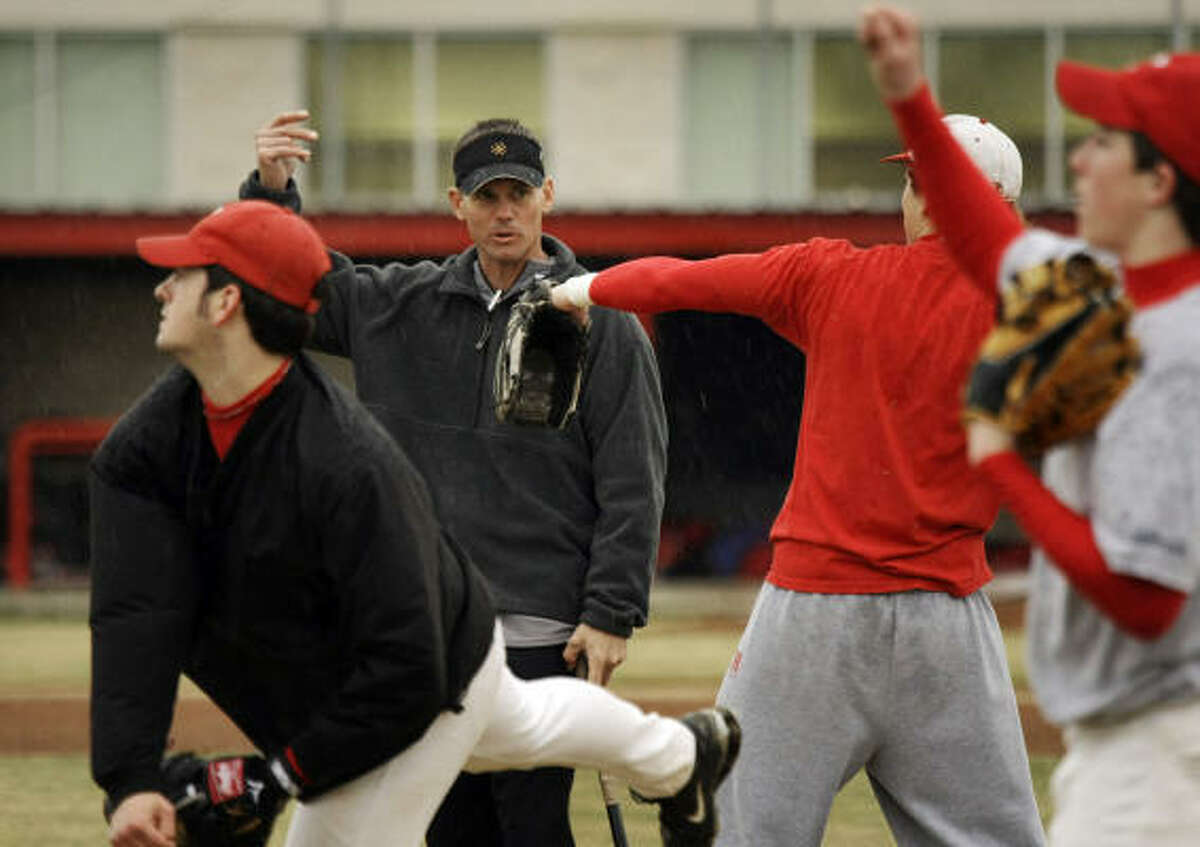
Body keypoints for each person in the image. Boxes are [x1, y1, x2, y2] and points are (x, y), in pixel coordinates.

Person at [90, 199, 738, 847]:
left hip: (429, 673)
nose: (162, 285)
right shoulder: (141, 453)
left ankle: (676, 757)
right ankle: (682, 754)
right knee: (528, 723)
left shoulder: (346, 463)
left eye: (183, 273)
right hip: (376, 682)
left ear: (226, 302)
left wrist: (278, 778)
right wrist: (130, 779)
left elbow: (406, 676)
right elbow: (136, 612)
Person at [550, 89, 1044, 847]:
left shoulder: (830, 277)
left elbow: (683, 282)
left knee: (737, 831)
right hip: (948, 622)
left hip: (817, 611)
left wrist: (578, 290)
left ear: (924, 192)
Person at [240, 112, 667, 846]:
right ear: (456, 204)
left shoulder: (602, 319)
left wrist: (611, 610)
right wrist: (272, 193)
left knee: (530, 826)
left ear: (547, 196)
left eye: (518, 193)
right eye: (486, 196)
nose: (504, 211)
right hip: (428, 624)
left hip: (546, 631)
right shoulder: (399, 307)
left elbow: (635, 475)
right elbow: (298, 288)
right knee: (445, 828)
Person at [861, 6, 1200, 844]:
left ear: (1159, 183)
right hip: (1124, 746)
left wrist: (1004, 464)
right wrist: (910, 97)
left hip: (1161, 759)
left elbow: (1147, 600)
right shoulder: (1094, 287)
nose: (1079, 158)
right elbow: (986, 239)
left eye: (1105, 142)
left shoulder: (1178, 355)